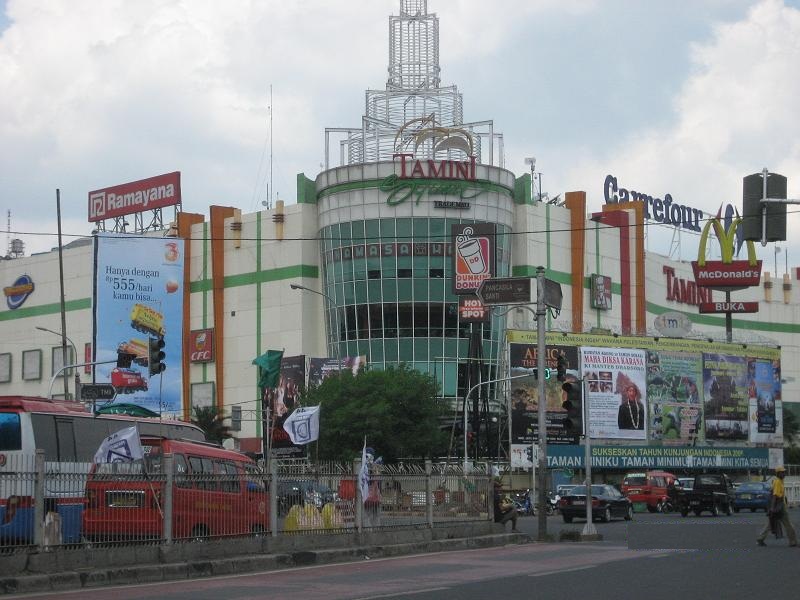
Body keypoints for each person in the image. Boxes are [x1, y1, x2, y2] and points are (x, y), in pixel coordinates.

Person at [757, 466, 797, 547]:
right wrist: (772, 508)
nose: (784, 473)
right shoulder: (778, 482)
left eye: (784, 472)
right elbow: (775, 495)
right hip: (779, 506)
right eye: (782, 472)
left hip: (779, 505)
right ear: (778, 473)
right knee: (788, 525)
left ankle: (760, 538)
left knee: (770, 523)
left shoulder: (779, 481)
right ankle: (793, 542)